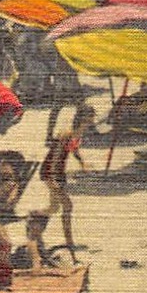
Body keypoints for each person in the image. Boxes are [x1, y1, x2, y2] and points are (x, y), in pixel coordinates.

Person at [33, 104, 95, 256]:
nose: (92, 121)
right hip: (50, 172)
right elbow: (54, 157)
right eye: (90, 117)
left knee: (54, 208)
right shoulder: (67, 134)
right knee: (67, 206)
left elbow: (74, 150)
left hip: (58, 173)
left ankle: (33, 217)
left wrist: (82, 163)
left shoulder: (77, 134)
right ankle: (70, 242)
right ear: (83, 118)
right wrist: (53, 179)